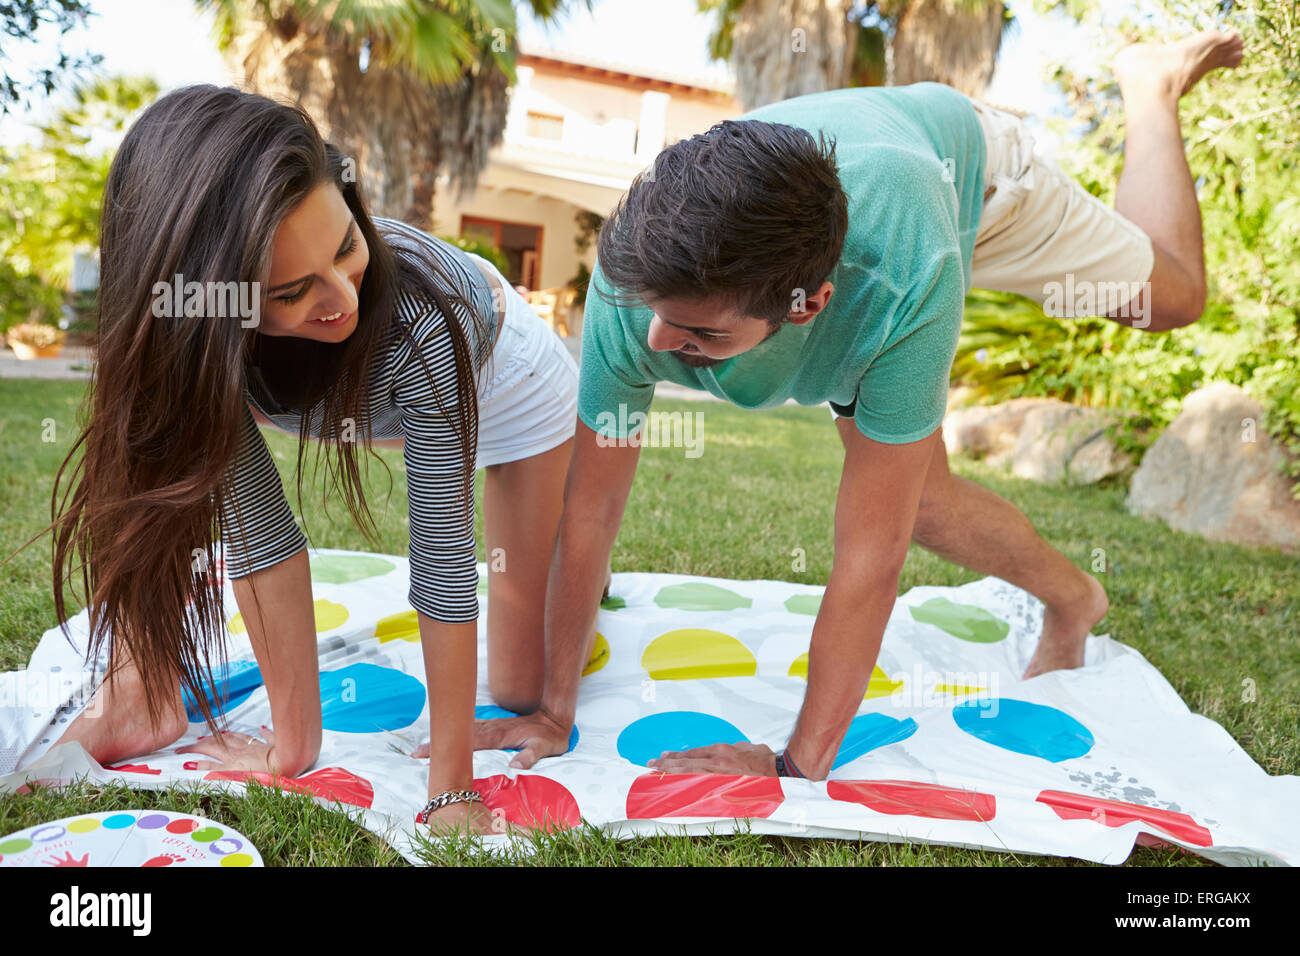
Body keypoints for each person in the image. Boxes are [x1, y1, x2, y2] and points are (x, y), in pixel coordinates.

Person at [473, 32, 1245, 781]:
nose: (656, 340)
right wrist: (552, 711)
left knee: (1172, 300)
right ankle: (1079, 595)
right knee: (928, 499)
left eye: (700, 332)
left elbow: (872, 558)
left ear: (810, 308)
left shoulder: (905, 272)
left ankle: (1149, 90)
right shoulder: (633, 278)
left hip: (970, 176)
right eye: (656, 311)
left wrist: (796, 762)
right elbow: (593, 511)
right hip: (844, 193)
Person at [44, 85, 600, 834]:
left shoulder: (416, 319)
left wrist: (450, 790)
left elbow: (441, 550)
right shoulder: (199, 333)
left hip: (503, 381)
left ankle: (574, 565)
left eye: (346, 246)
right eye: (293, 289)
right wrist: (290, 749)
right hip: (354, 401)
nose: (342, 295)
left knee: (517, 682)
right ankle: (144, 694)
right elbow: (263, 535)